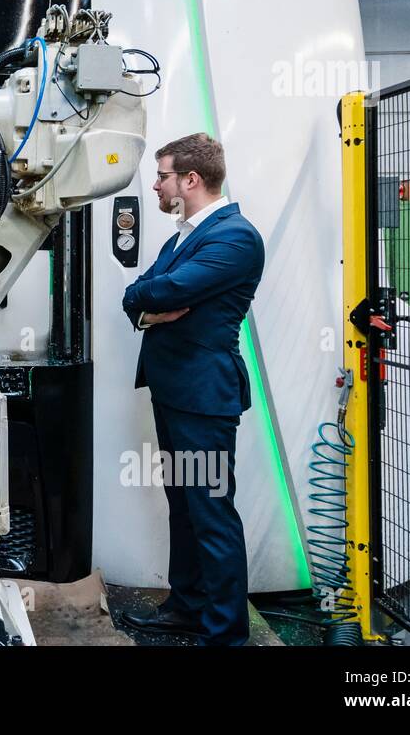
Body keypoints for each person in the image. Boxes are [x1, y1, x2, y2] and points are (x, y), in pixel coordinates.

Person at [120, 132, 265, 646]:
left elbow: (169, 289)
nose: (155, 185)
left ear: (191, 180)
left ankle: (225, 634)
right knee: (183, 505)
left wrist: (149, 301)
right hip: (174, 391)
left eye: (161, 176)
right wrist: (146, 305)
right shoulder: (182, 236)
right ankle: (188, 606)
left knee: (210, 511)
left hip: (203, 399)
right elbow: (138, 294)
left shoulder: (234, 236)